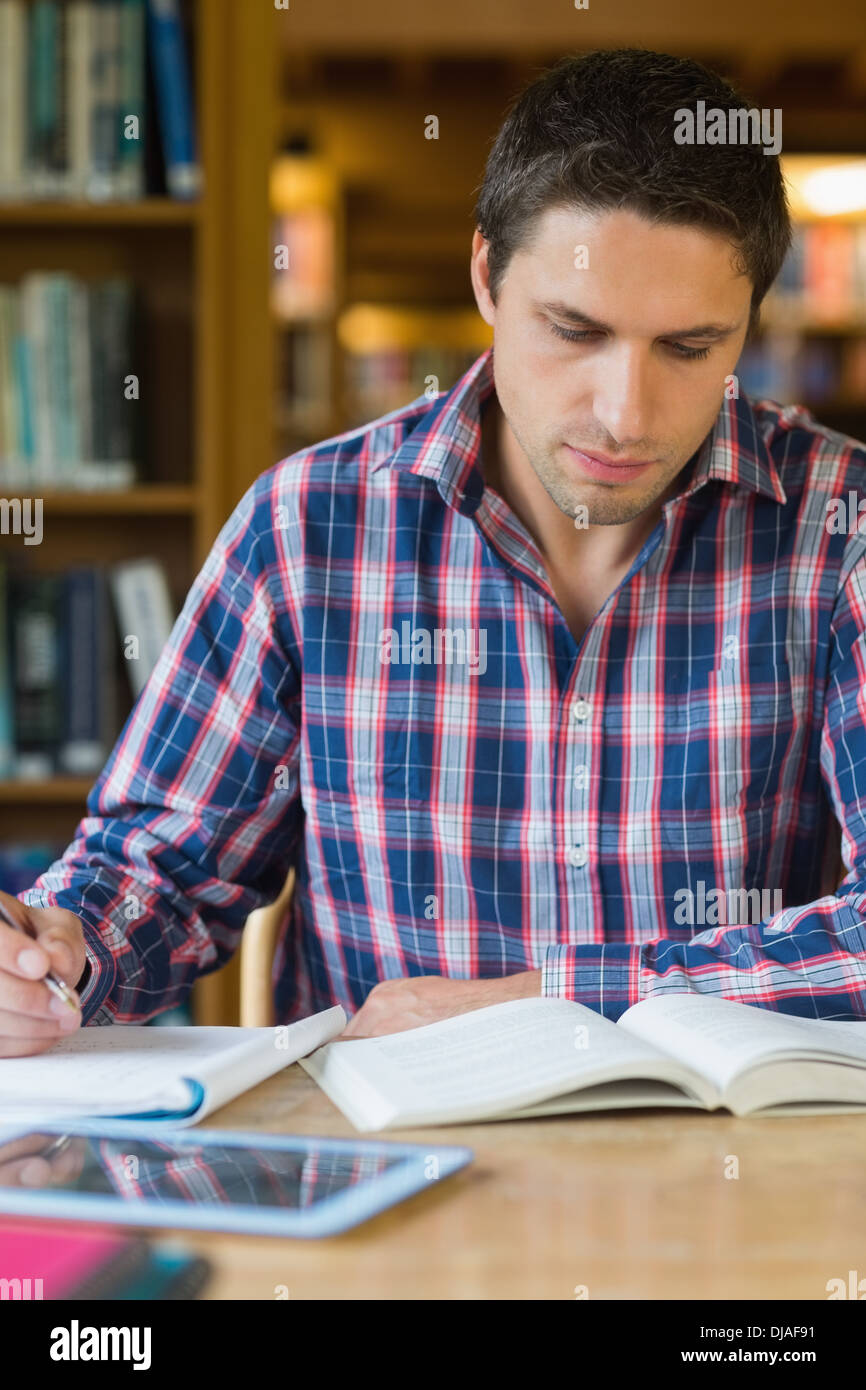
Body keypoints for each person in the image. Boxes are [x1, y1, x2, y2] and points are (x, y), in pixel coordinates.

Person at [4, 47, 865, 1060]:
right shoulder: (305, 526)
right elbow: (161, 868)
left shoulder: (837, 523)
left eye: (688, 348)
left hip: (731, 1178)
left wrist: (546, 998)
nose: (622, 414)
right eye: (572, 329)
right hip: (385, 1173)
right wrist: (59, 951)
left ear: (747, 326)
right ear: (485, 278)